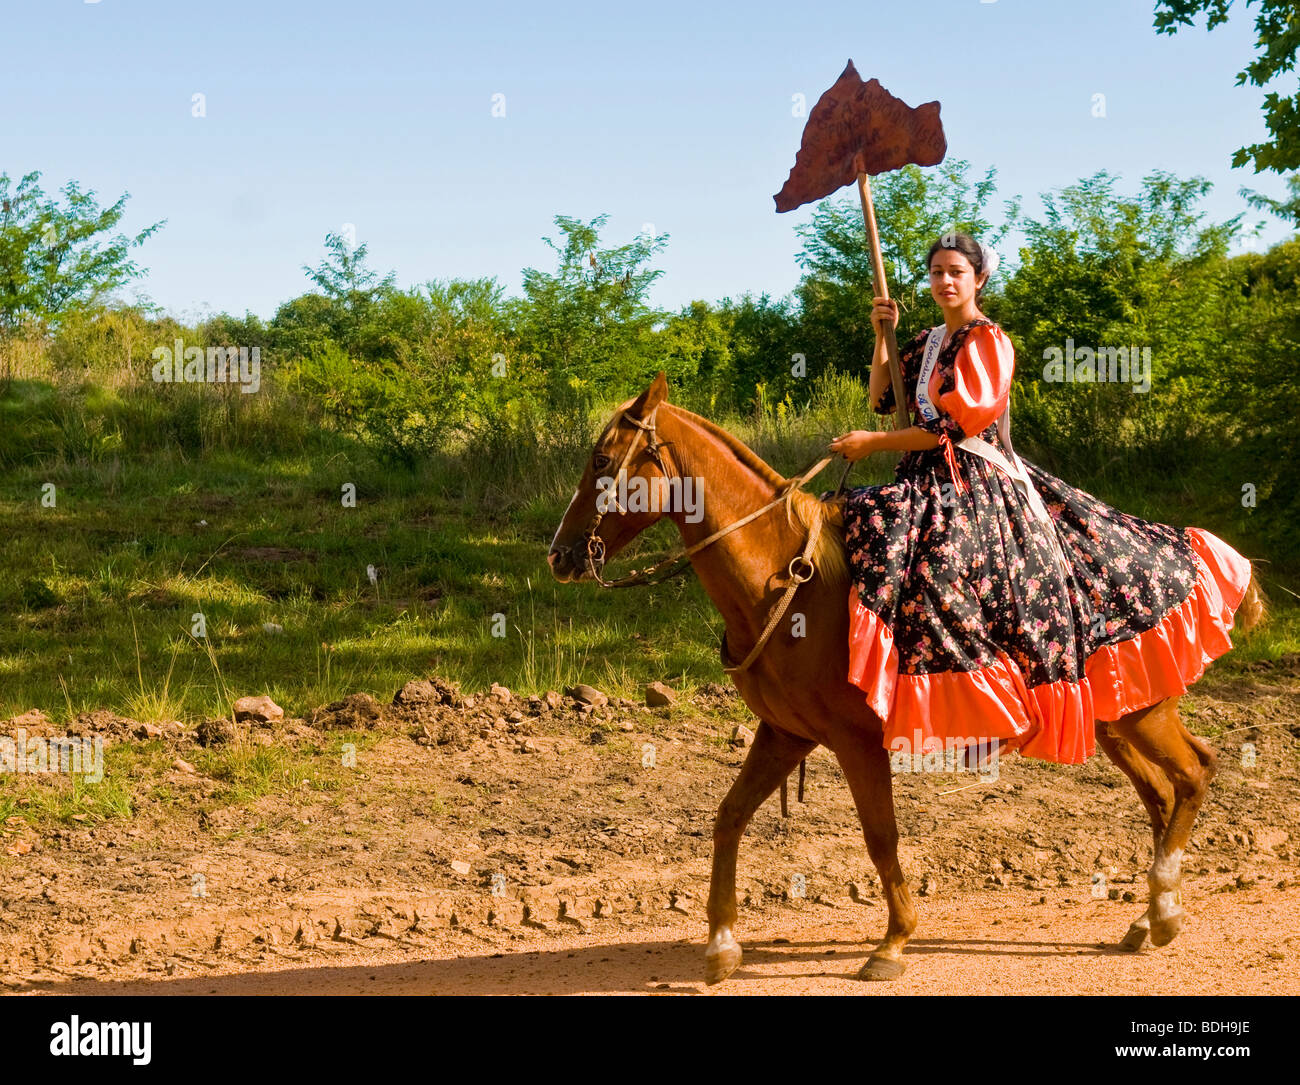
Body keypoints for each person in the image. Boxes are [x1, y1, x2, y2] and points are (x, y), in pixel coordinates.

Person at [827, 232, 1253, 764]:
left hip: (976, 476)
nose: (945, 281)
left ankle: (987, 712)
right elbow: (880, 398)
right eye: (937, 272)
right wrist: (879, 337)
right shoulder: (926, 341)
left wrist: (875, 444)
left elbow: (956, 426)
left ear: (978, 279)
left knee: (942, 566)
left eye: (956, 271)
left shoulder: (988, 341)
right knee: (865, 539)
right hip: (920, 474)